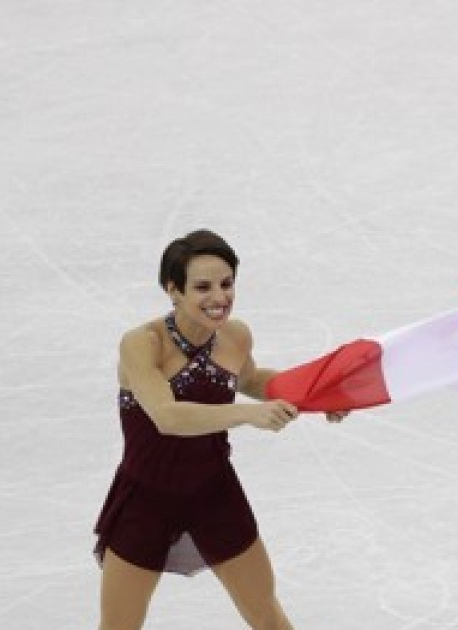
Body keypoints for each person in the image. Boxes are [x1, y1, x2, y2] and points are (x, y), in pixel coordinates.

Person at [93, 229, 345, 629]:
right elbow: (167, 415)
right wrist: (246, 415)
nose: (219, 298)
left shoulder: (235, 336)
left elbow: (251, 380)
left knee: (266, 613)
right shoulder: (143, 344)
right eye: (203, 287)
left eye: (227, 284)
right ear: (173, 290)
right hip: (146, 498)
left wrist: (318, 396)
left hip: (215, 492)